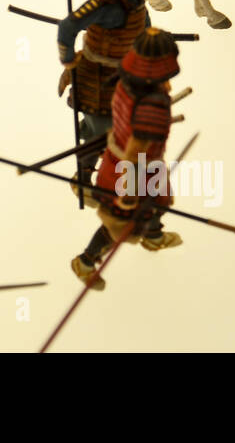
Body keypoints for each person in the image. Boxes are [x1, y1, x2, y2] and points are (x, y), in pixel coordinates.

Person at [72, 28, 183, 290]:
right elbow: (136, 150)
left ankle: (154, 237)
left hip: (133, 163)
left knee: (157, 203)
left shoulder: (123, 83)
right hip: (134, 172)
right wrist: (130, 192)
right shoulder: (151, 103)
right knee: (122, 224)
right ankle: (85, 262)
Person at [59, 0, 154, 196]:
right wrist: (69, 61)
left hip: (126, 75)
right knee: (104, 132)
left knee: (128, 128)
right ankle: (86, 179)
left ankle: (128, 186)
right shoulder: (104, 2)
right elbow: (67, 27)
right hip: (97, 77)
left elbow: (142, 23)